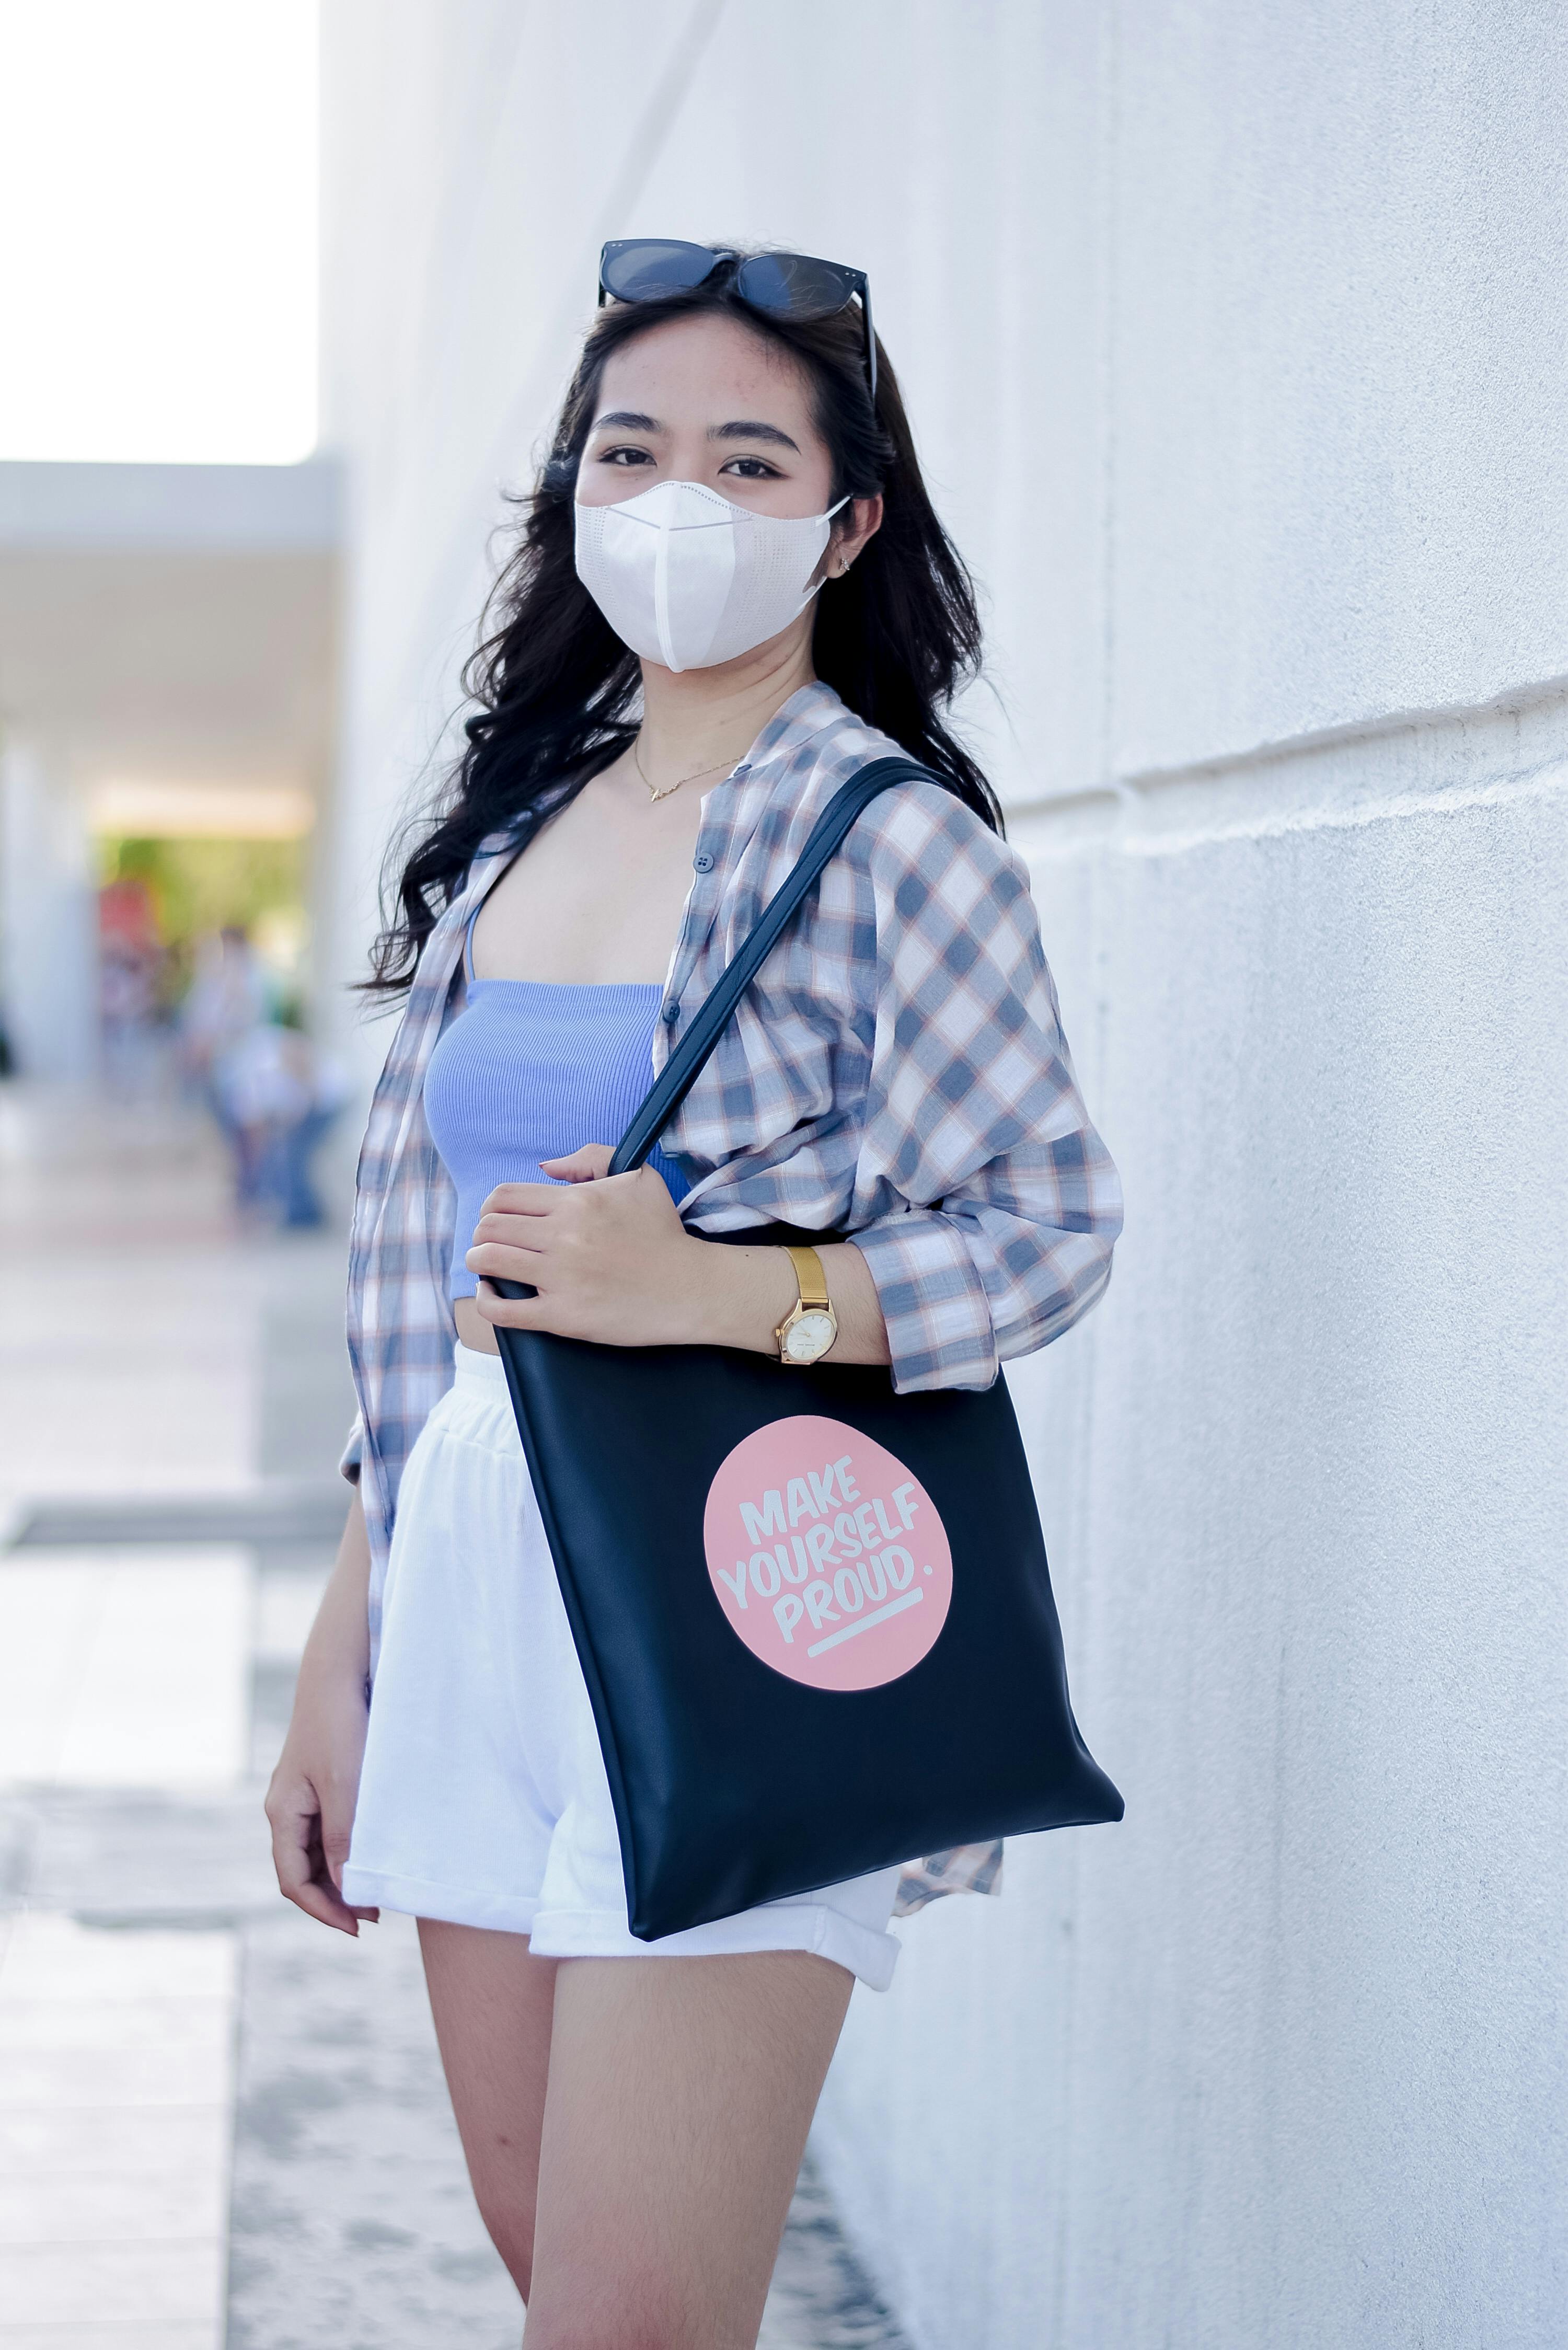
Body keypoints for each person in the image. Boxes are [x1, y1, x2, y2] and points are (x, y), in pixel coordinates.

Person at [267, 240, 1122, 2347]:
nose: (679, 502)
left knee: (632, 2320)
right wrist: (343, 1643)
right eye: (632, 451)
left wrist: (729, 1295)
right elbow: (436, 1280)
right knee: (542, 2253)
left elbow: (1048, 1223)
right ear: (572, 495)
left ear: (847, 526)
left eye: (749, 463)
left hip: (731, 1579)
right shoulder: (518, 824)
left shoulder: (889, 842)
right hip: (472, 1563)